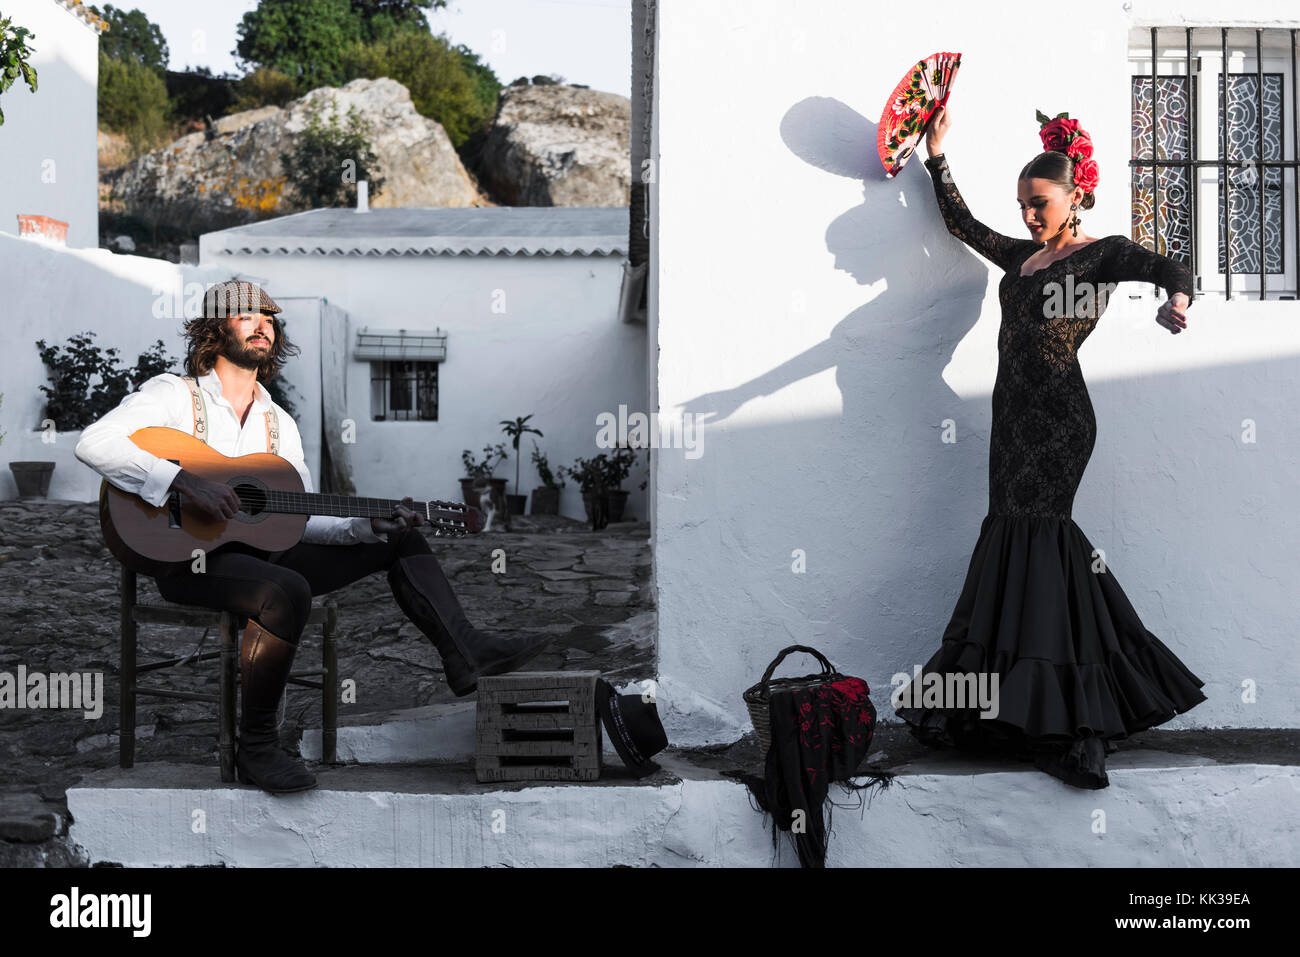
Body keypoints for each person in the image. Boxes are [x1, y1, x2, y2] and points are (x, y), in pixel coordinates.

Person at [75, 281, 554, 795]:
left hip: (263, 553)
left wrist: (368, 525)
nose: (263, 325)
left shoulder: (278, 424)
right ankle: (257, 747)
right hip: (189, 560)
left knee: (396, 542)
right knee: (285, 590)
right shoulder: (173, 395)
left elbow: (299, 516)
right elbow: (93, 443)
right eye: (247, 316)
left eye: (269, 319)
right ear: (215, 330)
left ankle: (467, 652)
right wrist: (184, 482)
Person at [892, 105, 1207, 789]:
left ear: (1075, 196)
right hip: (1011, 421)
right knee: (1012, 537)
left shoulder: (1102, 253)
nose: (1029, 215)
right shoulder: (1024, 257)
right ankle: (1013, 711)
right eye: (1023, 205)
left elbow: (1172, 266)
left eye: (1039, 203)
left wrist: (1178, 303)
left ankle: (1078, 721)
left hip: (1061, 420)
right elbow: (963, 225)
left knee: (1046, 540)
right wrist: (937, 156)